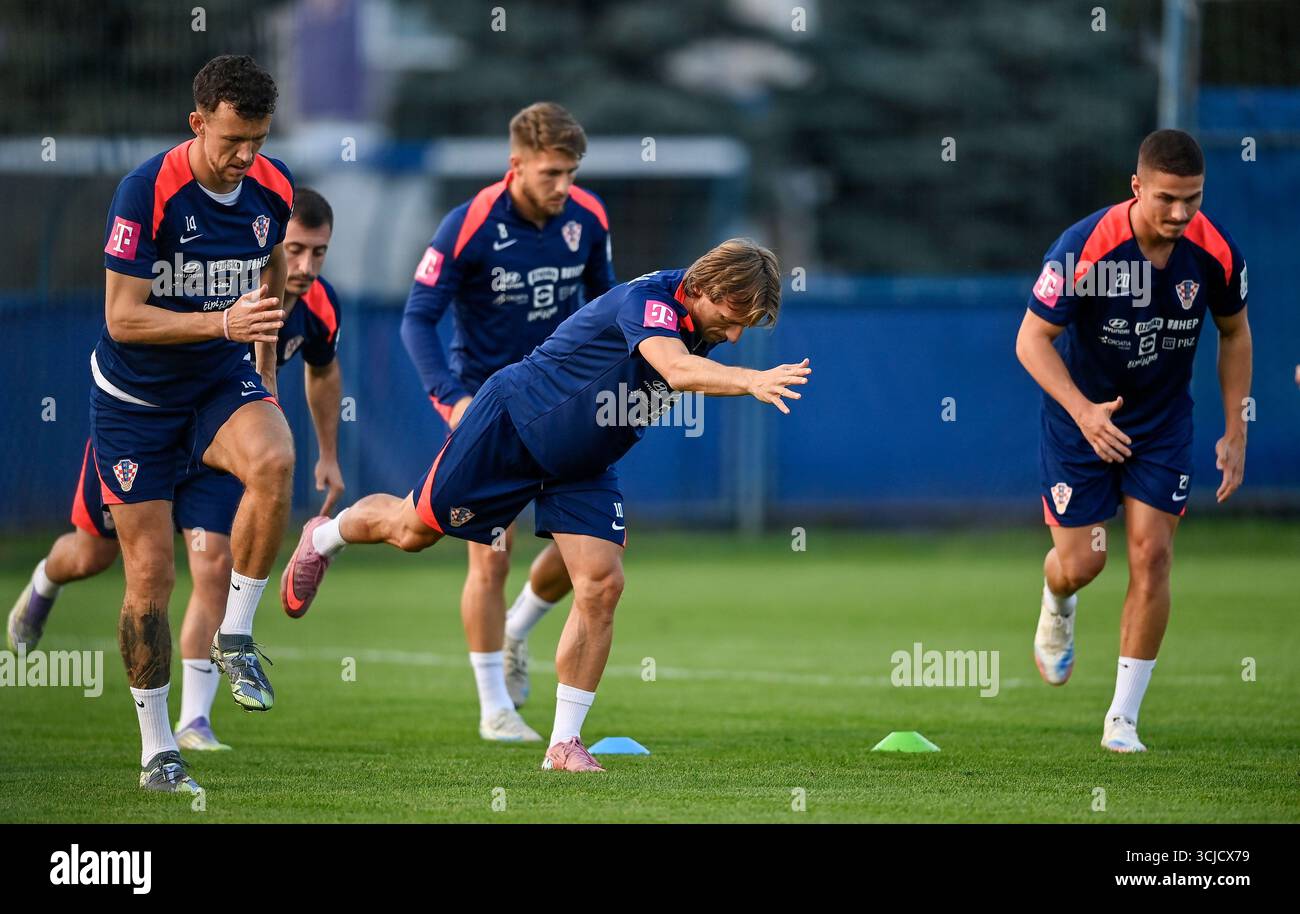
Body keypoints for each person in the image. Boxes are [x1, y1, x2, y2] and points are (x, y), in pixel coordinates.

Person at [283, 239, 809, 771]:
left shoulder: (704, 316)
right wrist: (753, 381)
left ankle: (563, 744)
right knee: (410, 530)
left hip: (583, 460)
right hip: (512, 427)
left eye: (750, 323)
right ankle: (325, 537)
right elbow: (673, 370)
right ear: (703, 288)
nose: (737, 335)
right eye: (734, 317)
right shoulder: (651, 302)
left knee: (602, 584)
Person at [9, 189, 344, 757]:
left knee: (214, 566)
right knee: (94, 556)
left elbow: (323, 371)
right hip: (145, 421)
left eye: (319, 253)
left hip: (218, 429)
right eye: (297, 250)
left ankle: (194, 720)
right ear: (268, 243)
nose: (306, 267)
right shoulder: (212, 269)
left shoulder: (317, 307)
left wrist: (328, 453)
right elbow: (126, 318)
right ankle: (44, 581)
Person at [92, 55, 296, 793]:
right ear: (198, 121)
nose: (245, 156)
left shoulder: (273, 190)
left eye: (259, 140)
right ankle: (157, 747)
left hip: (219, 380)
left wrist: (265, 364)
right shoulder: (146, 190)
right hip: (137, 399)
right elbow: (122, 319)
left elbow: (274, 273)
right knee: (150, 576)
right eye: (232, 139)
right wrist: (223, 322)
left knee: (275, 460)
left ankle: (236, 633)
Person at [1015, 129, 1251, 753]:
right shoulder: (1085, 248)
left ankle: (1122, 719)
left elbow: (1234, 333)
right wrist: (1084, 413)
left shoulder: (1216, 252)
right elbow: (1030, 342)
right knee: (1084, 563)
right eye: (1167, 199)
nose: (1179, 214)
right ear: (1136, 186)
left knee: (1152, 557)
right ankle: (1057, 599)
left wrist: (1236, 426)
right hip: (1080, 421)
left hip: (1161, 424)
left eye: (1192, 200)